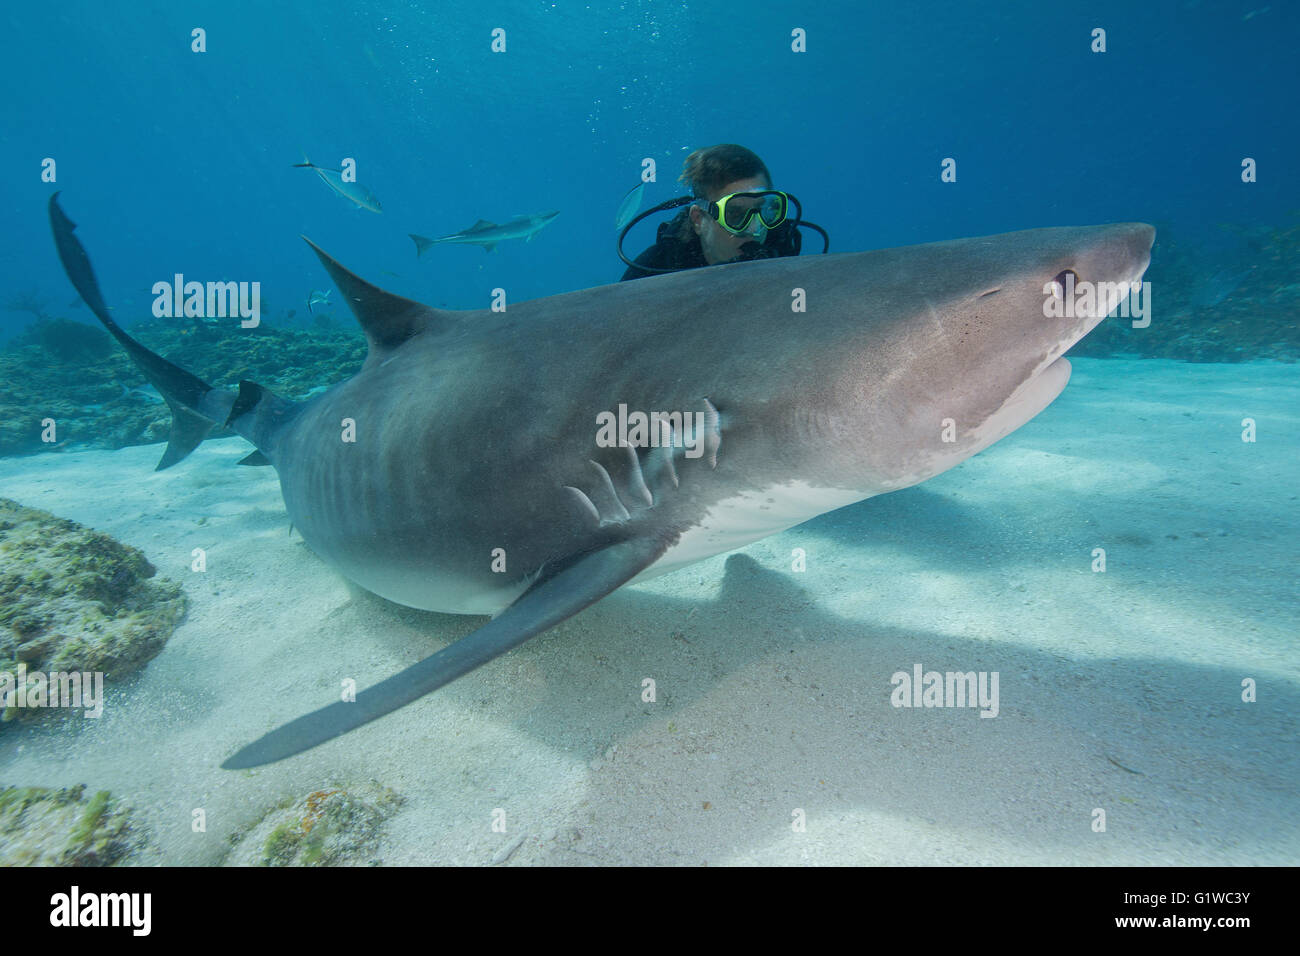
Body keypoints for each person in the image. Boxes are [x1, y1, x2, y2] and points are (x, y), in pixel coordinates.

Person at [620, 144, 802, 281]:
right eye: (735, 215)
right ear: (698, 219)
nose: (755, 228)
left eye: (764, 209)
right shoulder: (653, 270)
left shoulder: (782, 246)